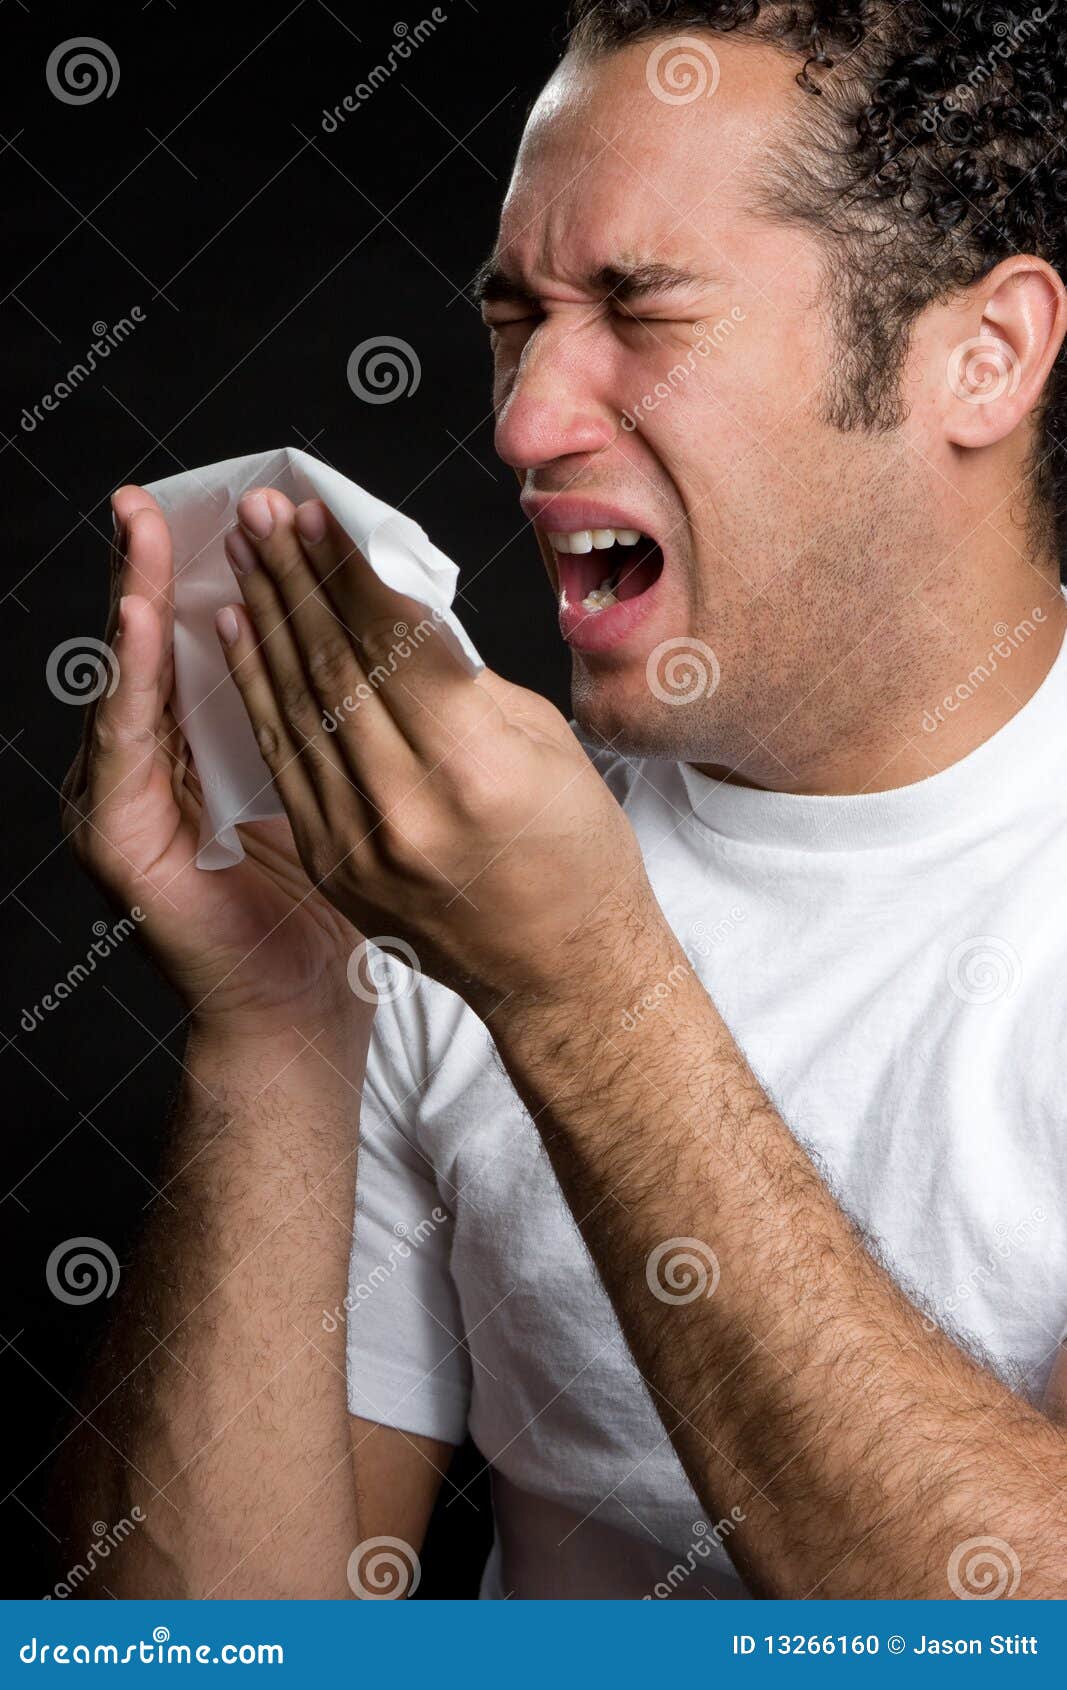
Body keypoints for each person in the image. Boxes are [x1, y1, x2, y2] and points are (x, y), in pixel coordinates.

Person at [59, 0, 1067, 1599]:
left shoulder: (516, 905)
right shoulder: (434, 869)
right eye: (517, 315)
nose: (526, 420)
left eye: (643, 308)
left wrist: (582, 991)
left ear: (983, 357)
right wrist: (279, 1009)